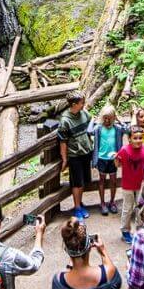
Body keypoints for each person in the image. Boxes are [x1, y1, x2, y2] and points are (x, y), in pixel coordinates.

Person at [58, 90, 94, 220]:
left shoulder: (83, 113)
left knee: (83, 181)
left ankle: (80, 203)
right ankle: (77, 207)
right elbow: (63, 141)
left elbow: (91, 120)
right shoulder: (65, 121)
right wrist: (64, 159)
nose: (84, 104)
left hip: (86, 152)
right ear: (73, 104)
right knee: (77, 183)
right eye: (81, 103)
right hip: (75, 155)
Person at [88, 104, 127, 216]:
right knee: (102, 181)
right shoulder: (98, 128)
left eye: (110, 118)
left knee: (113, 181)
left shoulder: (117, 128)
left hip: (113, 159)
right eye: (105, 118)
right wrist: (92, 120)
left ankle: (112, 202)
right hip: (101, 158)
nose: (107, 120)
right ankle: (102, 203)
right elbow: (89, 131)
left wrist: (120, 120)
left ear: (113, 118)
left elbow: (127, 130)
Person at [115, 125, 144, 244]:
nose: (138, 140)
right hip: (128, 185)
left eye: (140, 138)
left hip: (141, 183)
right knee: (128, 208)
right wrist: (115, 159)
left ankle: (140, 230)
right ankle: (125, 231)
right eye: (135, 138)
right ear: (129, 139)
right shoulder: (124, 150)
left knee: (141, 208)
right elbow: (118, 165)